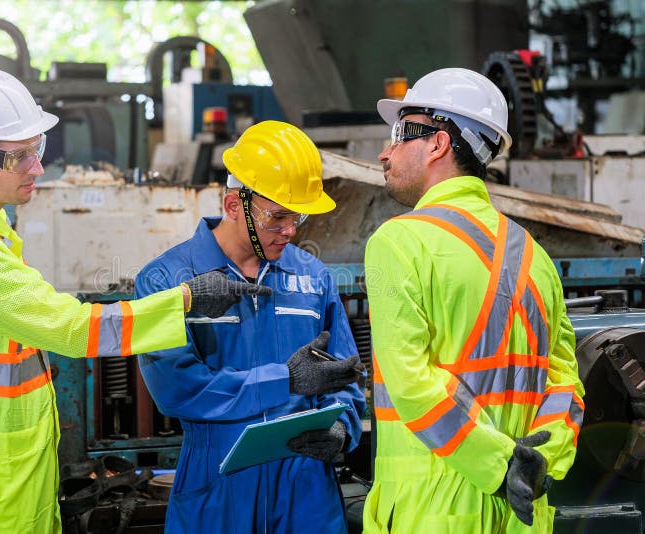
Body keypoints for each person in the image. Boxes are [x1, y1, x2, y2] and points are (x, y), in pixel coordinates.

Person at [0, 68, 270, 534]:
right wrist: (185, 300)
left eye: (37, 149)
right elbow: (73, 329)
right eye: (20, 156)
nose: (37, 167)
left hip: (7, 470)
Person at [362, 67, 585, 533]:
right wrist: (538, 463)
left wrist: (500, 466)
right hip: (524, 514)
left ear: (438, 144)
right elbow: (566, 384)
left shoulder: (398, 242)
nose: (385, 152)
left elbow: (411, 383)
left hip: (434, 511)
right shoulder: (535, 256)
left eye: (399, 135)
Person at [135, 120, 367, 533]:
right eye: (276, 218)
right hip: (218, 485)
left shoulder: (313, 276)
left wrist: (342, 428)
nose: (291, 231)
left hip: (307, 490)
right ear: (232, 206)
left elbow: (344, 374)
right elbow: (177, 389)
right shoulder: (167, 281)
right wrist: (287, 381)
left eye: (297, 217)